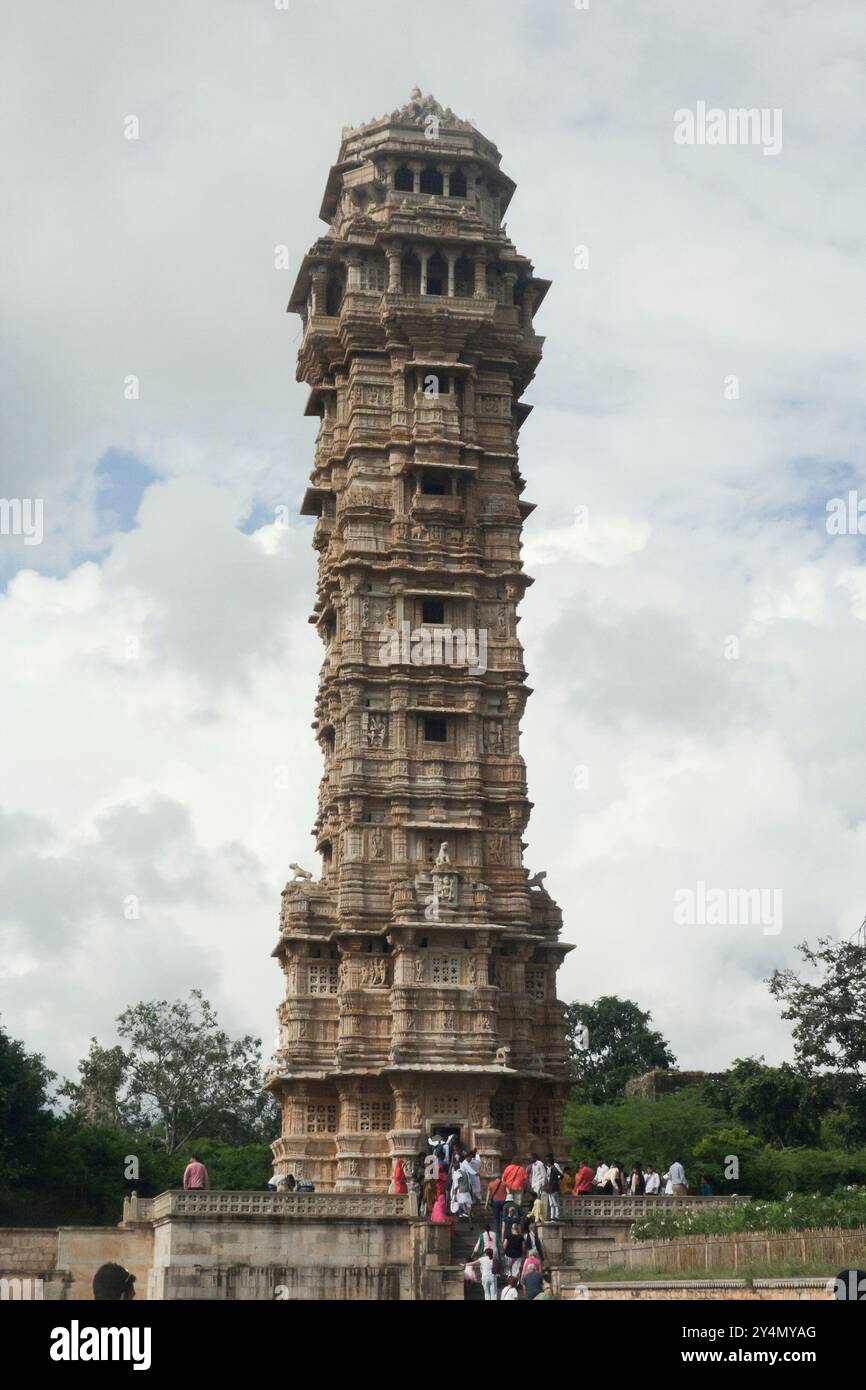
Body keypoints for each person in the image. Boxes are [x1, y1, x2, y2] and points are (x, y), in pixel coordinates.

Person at [486, 1172, 509, 1244]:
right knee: (504, 1218)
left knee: (496, 1219)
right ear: (501, 1177)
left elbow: (488, 1195)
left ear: (495, 1178)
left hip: (495, 1202)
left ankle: (498, 1235)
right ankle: (504, 1233)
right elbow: (508, 1192)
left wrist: (486, 1203)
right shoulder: (504, 1184)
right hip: (503, 1202)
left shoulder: (491, 1184)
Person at [502, 1211, 525, 1279]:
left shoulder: (508, 1236)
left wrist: (504, 1252)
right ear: (517, 1229)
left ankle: (509, 1281)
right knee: (516, 1270)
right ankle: (515, 1283)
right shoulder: (521, 1237)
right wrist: (523, 1253)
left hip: (509, 1255)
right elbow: (523, 1246)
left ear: (512, 1229)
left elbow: (504, 1245)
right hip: (518, 1255)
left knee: (508, 1270)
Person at [545, 1154, 563, 1222]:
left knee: (555, 1203)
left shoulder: (554, 1168)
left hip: (554, 1188)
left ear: (550, 1163)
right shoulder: (549, 1169)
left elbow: (561, 1175)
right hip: (550, 1188)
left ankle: (556, 1216)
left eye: (548, 1162)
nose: (547, 1163)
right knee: (551, 1204)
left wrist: (557, 1181)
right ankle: (552, 1216)